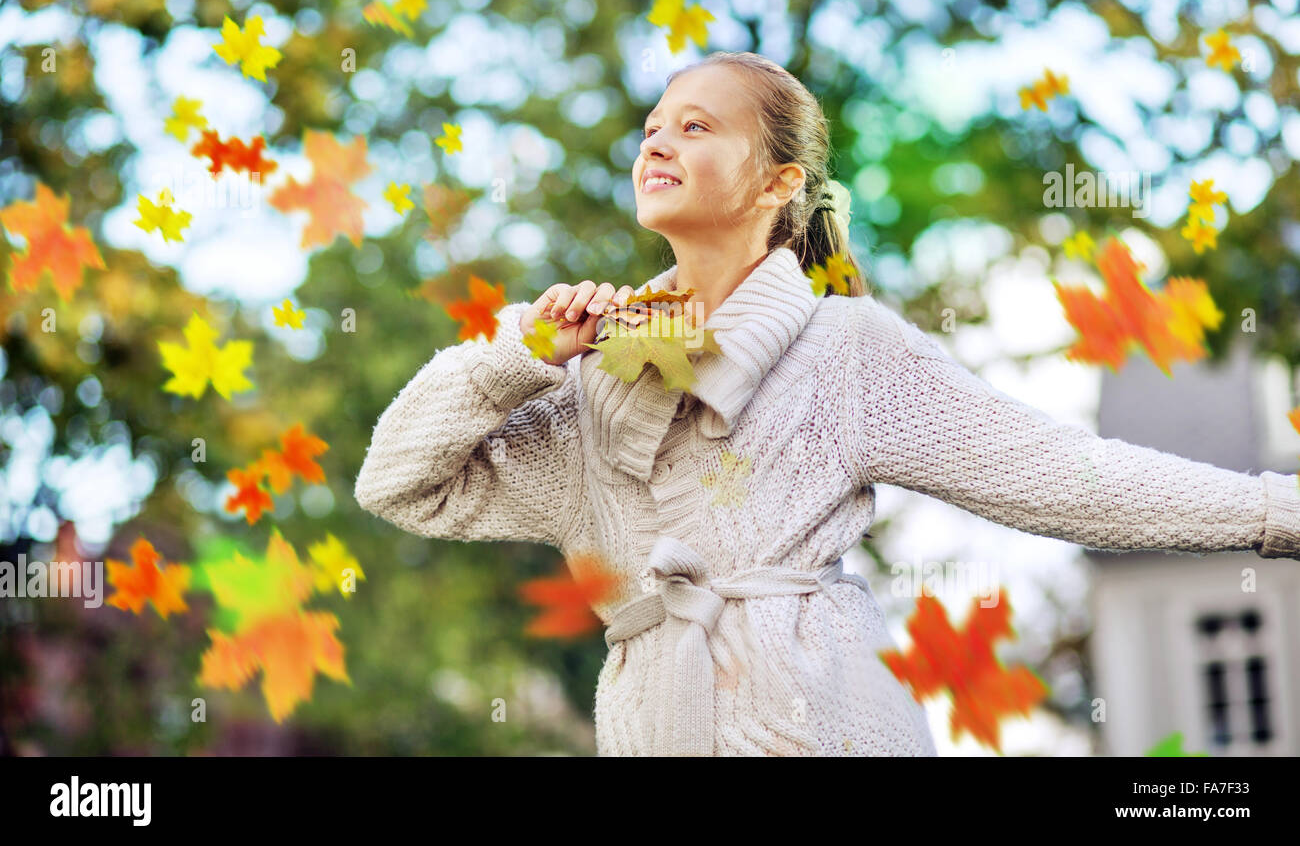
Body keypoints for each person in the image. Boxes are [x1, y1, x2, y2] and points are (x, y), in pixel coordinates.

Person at [354, 50, 1300, 756]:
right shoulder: (591, 378)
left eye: (696, 126)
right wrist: (519, 354)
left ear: (779, 182)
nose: (656, 140)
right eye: (651, 125)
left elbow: (1060, 475)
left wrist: (1272, 511)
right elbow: (399, 484)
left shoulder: (841, 347)